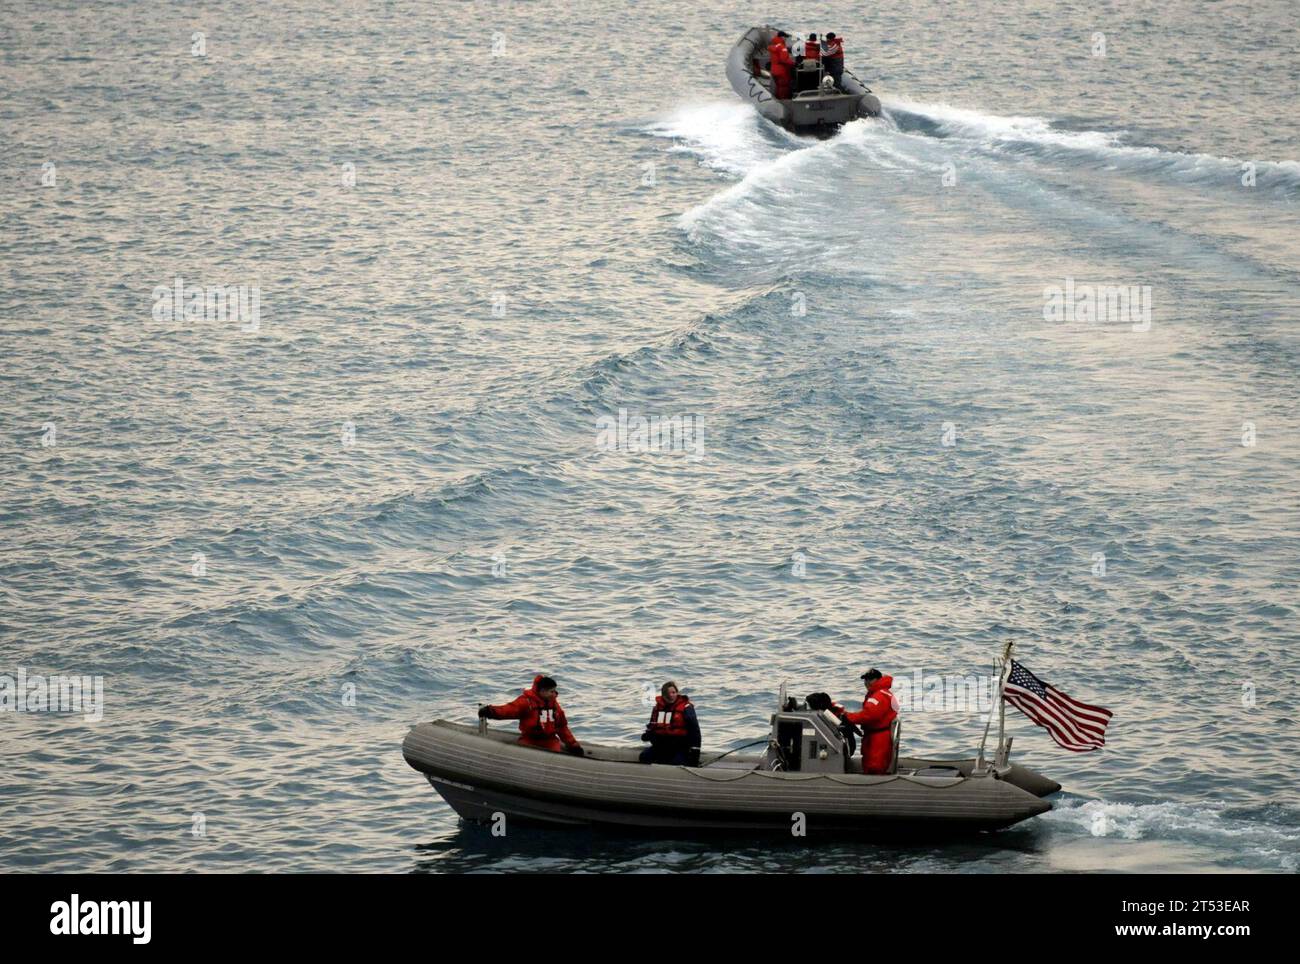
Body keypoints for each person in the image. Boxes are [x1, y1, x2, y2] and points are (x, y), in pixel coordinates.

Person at [478, 675, 584, 755]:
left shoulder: (554, 705)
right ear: (542, 691)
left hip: (550, 741)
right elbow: (508, 710)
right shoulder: (526, 702)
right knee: (522, 755)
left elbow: (562, 727)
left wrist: (573, 745)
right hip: (529, 739)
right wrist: (490, 711)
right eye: (552, 691)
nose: (555, 694)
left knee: (555, 757)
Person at [839, 668, 897, 774]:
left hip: (878, 738)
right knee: (871, 765)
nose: (867, 683)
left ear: (878, 679)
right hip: (876, 735)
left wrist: (848, 717)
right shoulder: (881, 693)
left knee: (875, 767)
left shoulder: (879, 695)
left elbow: (869, 715)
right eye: (865, 680)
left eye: (870, 679)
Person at [639, 681, 701, 765]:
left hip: (679, 746)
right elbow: (652, 725)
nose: (671, 695)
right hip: (661, 746)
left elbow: (695, 731)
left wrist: (695, 751)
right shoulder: (657, 707)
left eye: (673, 692)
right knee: (644, 757)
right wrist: (648, 735)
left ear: (677, 693)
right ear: (663, 695)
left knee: (676, 762)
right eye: (668, 693)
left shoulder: (686, 708)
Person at [767, 30, 795, 100]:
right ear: (782, 37)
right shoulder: (782, 47)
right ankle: (784, 101)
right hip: (781, 70)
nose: (786, 39)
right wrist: (793, 63)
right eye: (785, 37)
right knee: (784, 86)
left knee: (779, 86)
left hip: (774, 70)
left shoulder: (774, 46)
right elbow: (784, 59)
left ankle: (778, 99)